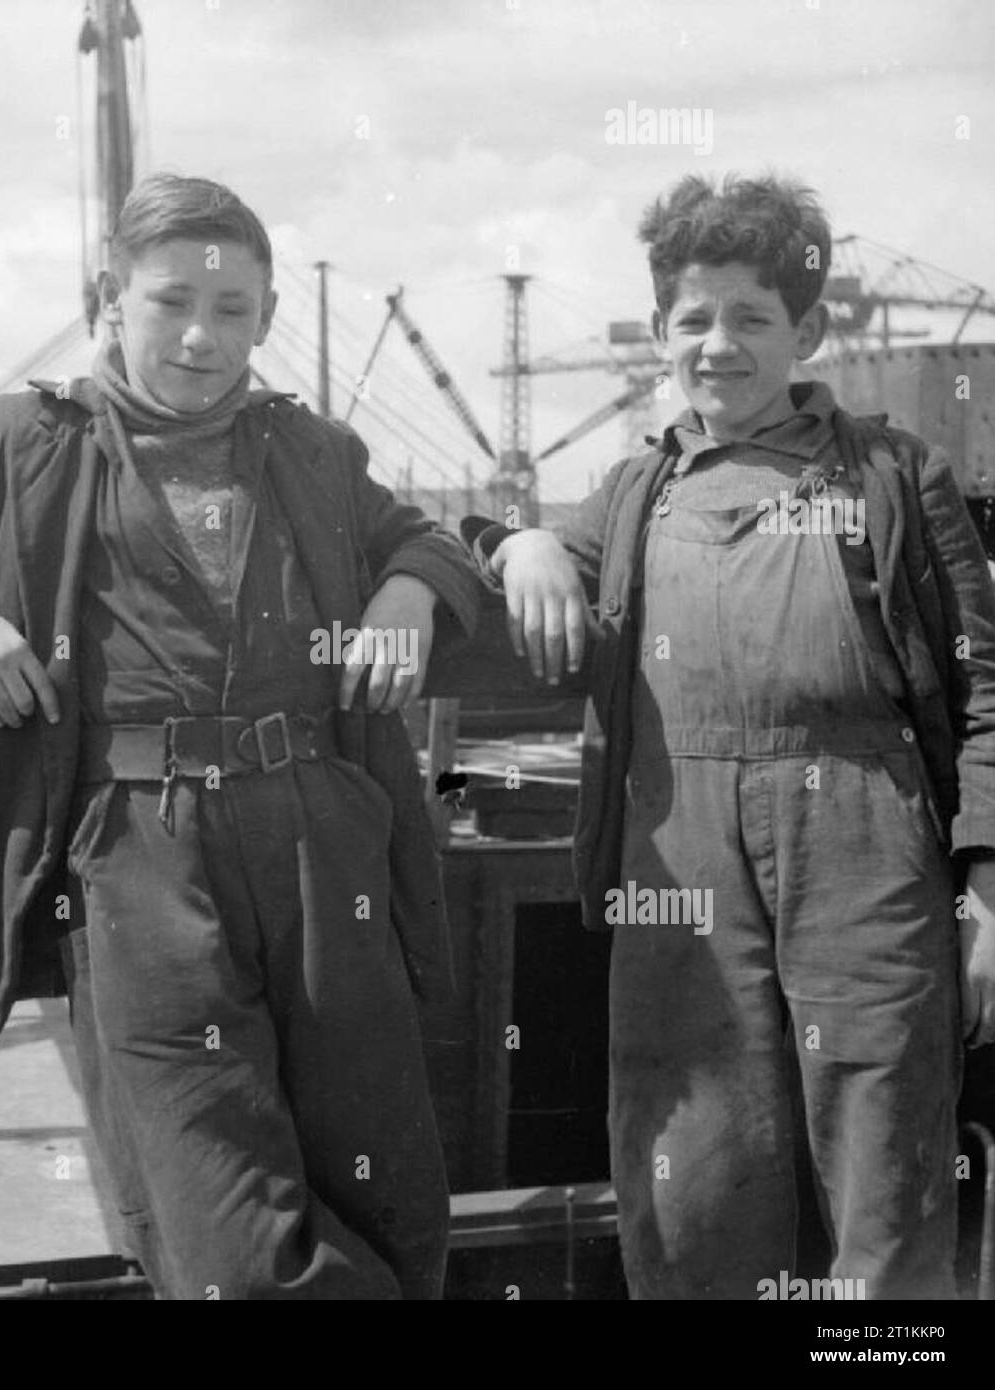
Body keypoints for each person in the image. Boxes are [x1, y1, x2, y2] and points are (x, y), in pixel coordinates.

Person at [0, 173, 481, 1300]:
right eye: (171, 302)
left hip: (323, 834)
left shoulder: (310, 451)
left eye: (232, 312)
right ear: (106, 301)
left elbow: (429, 540)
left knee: (388, 1184)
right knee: (220, 1220)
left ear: (264, 320)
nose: (201, 338)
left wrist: (411, 588)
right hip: (137, 854)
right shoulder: (12, 440)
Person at [467, 172, 995, 1299]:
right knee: (692, 1162)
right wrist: (518, 544)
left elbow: (986, 690)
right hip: (678, 856)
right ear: (661, 334)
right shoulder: (627, 490)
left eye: (750, 317)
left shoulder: (897, 477)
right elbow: (523, 569)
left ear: (805, 331)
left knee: (884, 1150)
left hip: (863, 841)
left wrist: (985, 881)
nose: (717, 344)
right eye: (691, 319)